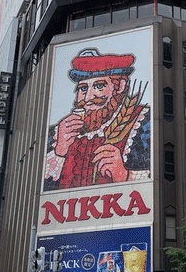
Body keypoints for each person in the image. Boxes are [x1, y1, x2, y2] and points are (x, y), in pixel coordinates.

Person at [44, 48, 150, 191]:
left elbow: (161, 178)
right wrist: (59, 153)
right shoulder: (57, 133)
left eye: (99, 86)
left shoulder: (144, 123)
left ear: (120, 86)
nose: (87, 98)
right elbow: (34, 191)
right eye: (82, 89)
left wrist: (126, 175)